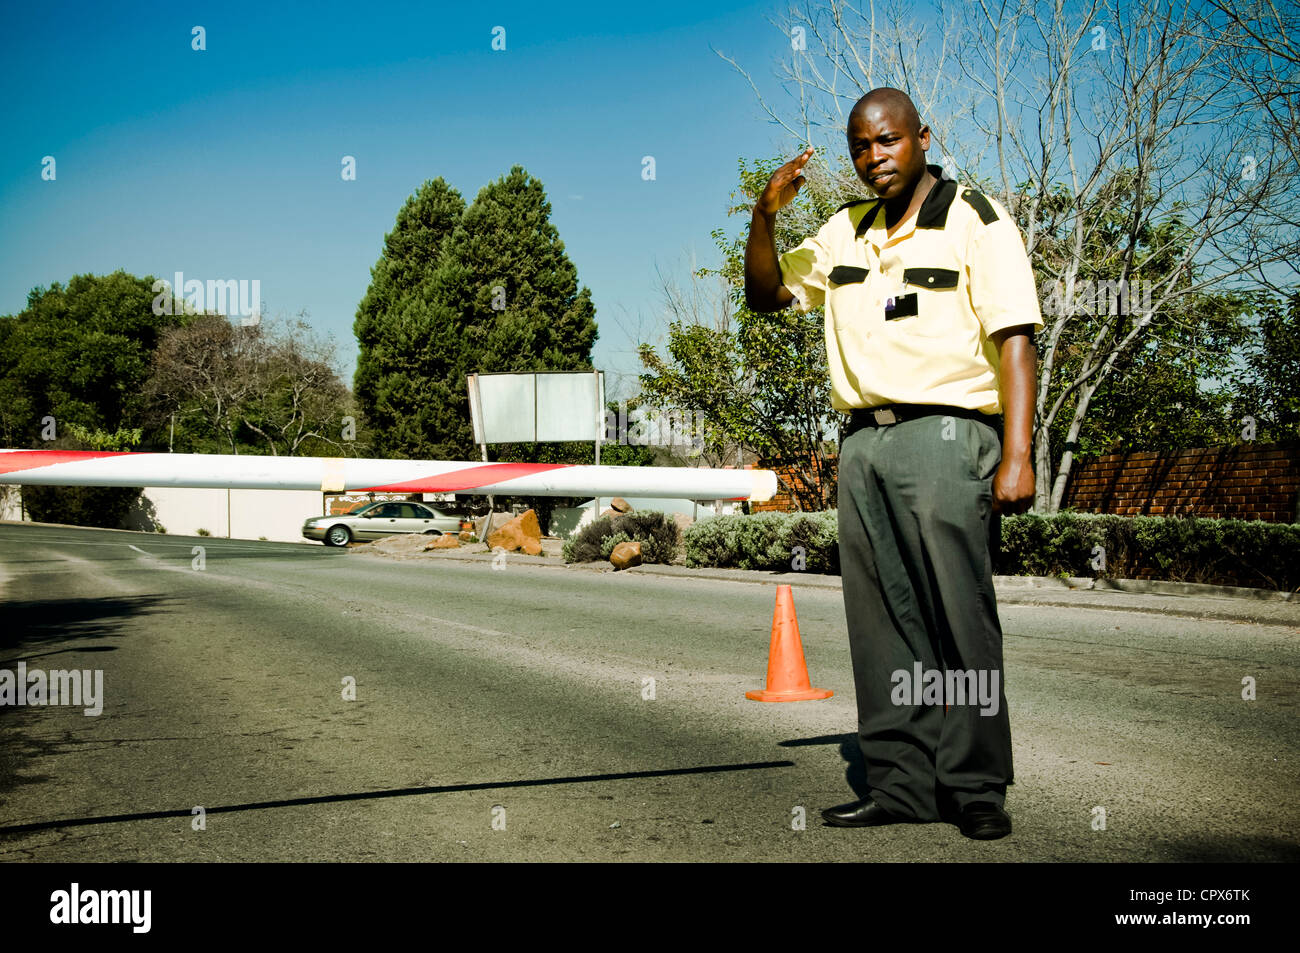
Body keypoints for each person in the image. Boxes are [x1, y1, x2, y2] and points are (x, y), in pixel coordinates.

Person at [743, 87, 1040, 840]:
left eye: (887, 141)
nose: (874, 156)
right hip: (862, 444)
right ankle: (902, 781)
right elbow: (768, 293)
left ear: (921, 138)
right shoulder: (845, 231)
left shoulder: (975, 218)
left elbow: (1015, 339)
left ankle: (974, 785)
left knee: (955, 616)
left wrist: (1018, 453)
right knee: (880, 625)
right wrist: (765, 214)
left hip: (946, 436)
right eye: (860, 147)